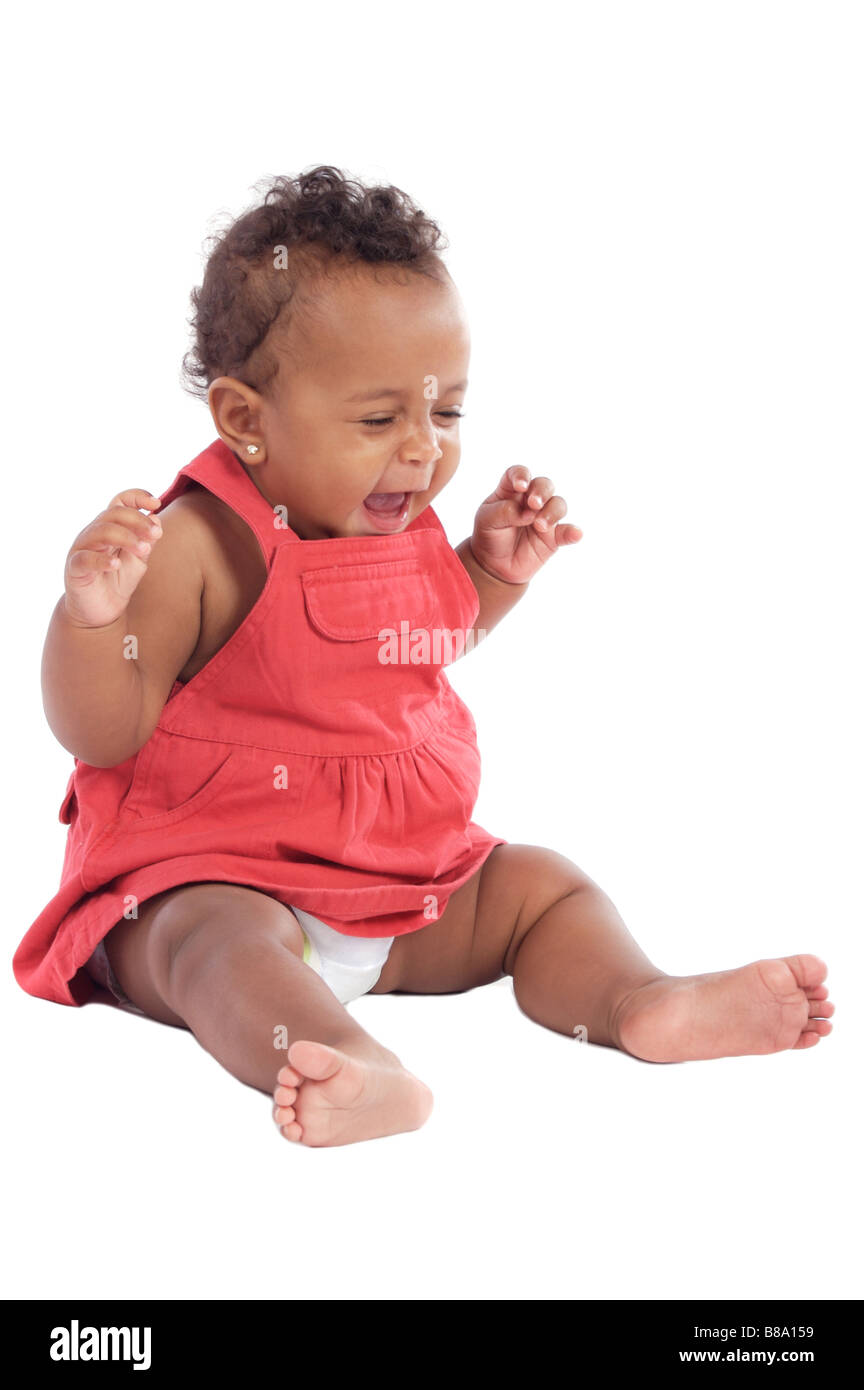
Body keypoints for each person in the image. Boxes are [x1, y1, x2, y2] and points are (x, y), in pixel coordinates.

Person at [13, 166, 834, 1147]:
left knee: (541, 887)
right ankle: (340, 1055)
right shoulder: (200, 541)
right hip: (213, 874)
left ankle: (635, 1001)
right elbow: (103, 728)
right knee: (212, 946)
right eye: (377, 419)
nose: (420, 451)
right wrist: (94, 619)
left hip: (403, 888)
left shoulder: (398, 520)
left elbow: (418, 647)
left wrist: (492, 571)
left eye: (444, 413)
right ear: (245, 421)